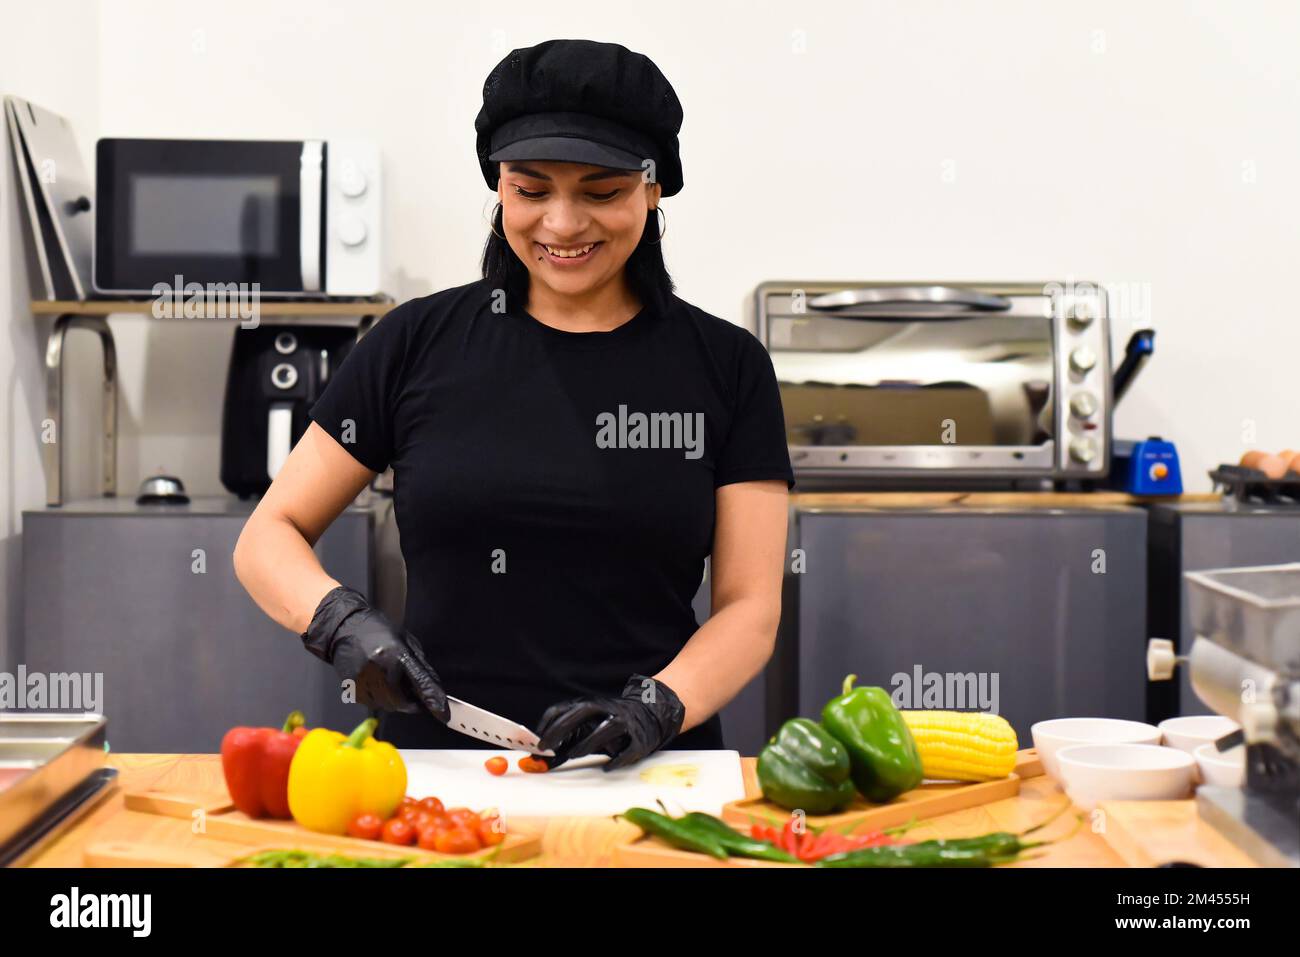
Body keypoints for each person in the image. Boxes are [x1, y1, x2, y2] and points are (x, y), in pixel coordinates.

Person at [233, 38, 794, 770]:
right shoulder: (415, 341)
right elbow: (268, 533)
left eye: (601, 191)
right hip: (438, 768)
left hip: (651, 770)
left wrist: (653, 708)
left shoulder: (728, 367)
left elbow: (750, 607)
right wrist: (339, 621)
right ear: (499, 185)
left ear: (654, 189)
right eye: (531, 190)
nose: (563, 224)